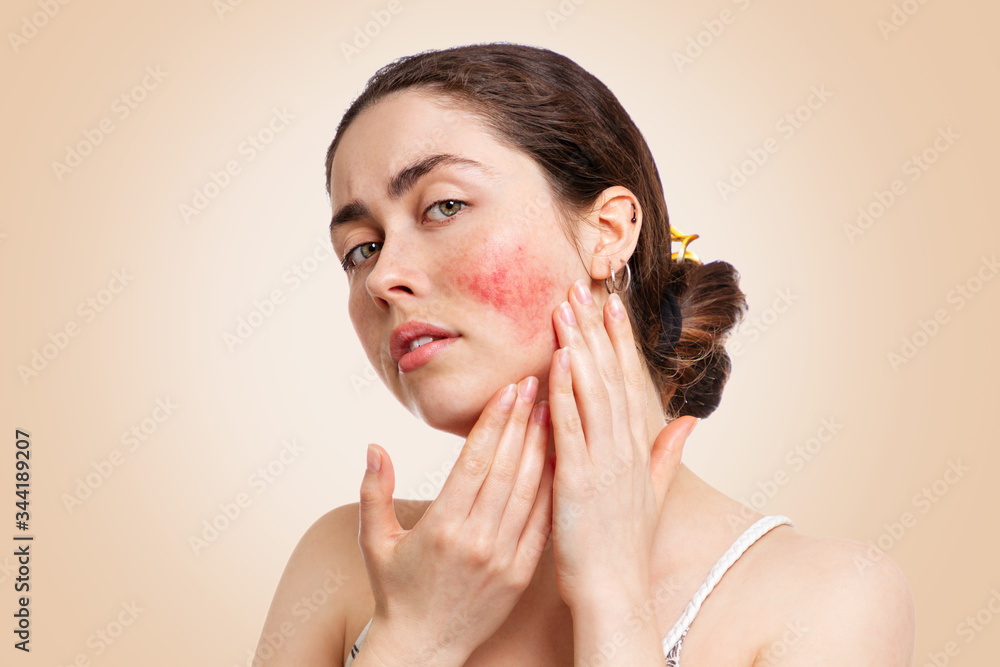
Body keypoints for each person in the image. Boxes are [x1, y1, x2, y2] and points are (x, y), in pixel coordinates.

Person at [253, 42, 915, 666]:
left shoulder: (830, 598)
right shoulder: (343, 562)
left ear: (609, 231)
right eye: (360, 248)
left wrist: (613, 600)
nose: (381, 276)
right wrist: (415, 635)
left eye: (444, 205)